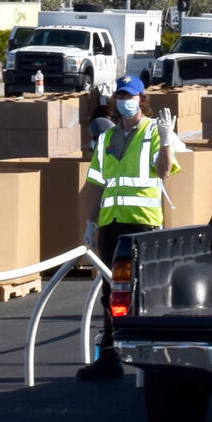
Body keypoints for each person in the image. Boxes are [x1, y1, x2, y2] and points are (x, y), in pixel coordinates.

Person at [78, 74, 179, 381]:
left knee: (144, 291)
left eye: (130, 95)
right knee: (110, 293)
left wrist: (166, 140)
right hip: (112, 223)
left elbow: (164, 172)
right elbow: (96, 182)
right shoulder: (107, 137)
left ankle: (154, 359)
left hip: (142, 223)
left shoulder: (152, 131)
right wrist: (90, 222)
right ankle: (110, 359)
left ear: (141, 99)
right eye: (120, 95)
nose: (124, 100)